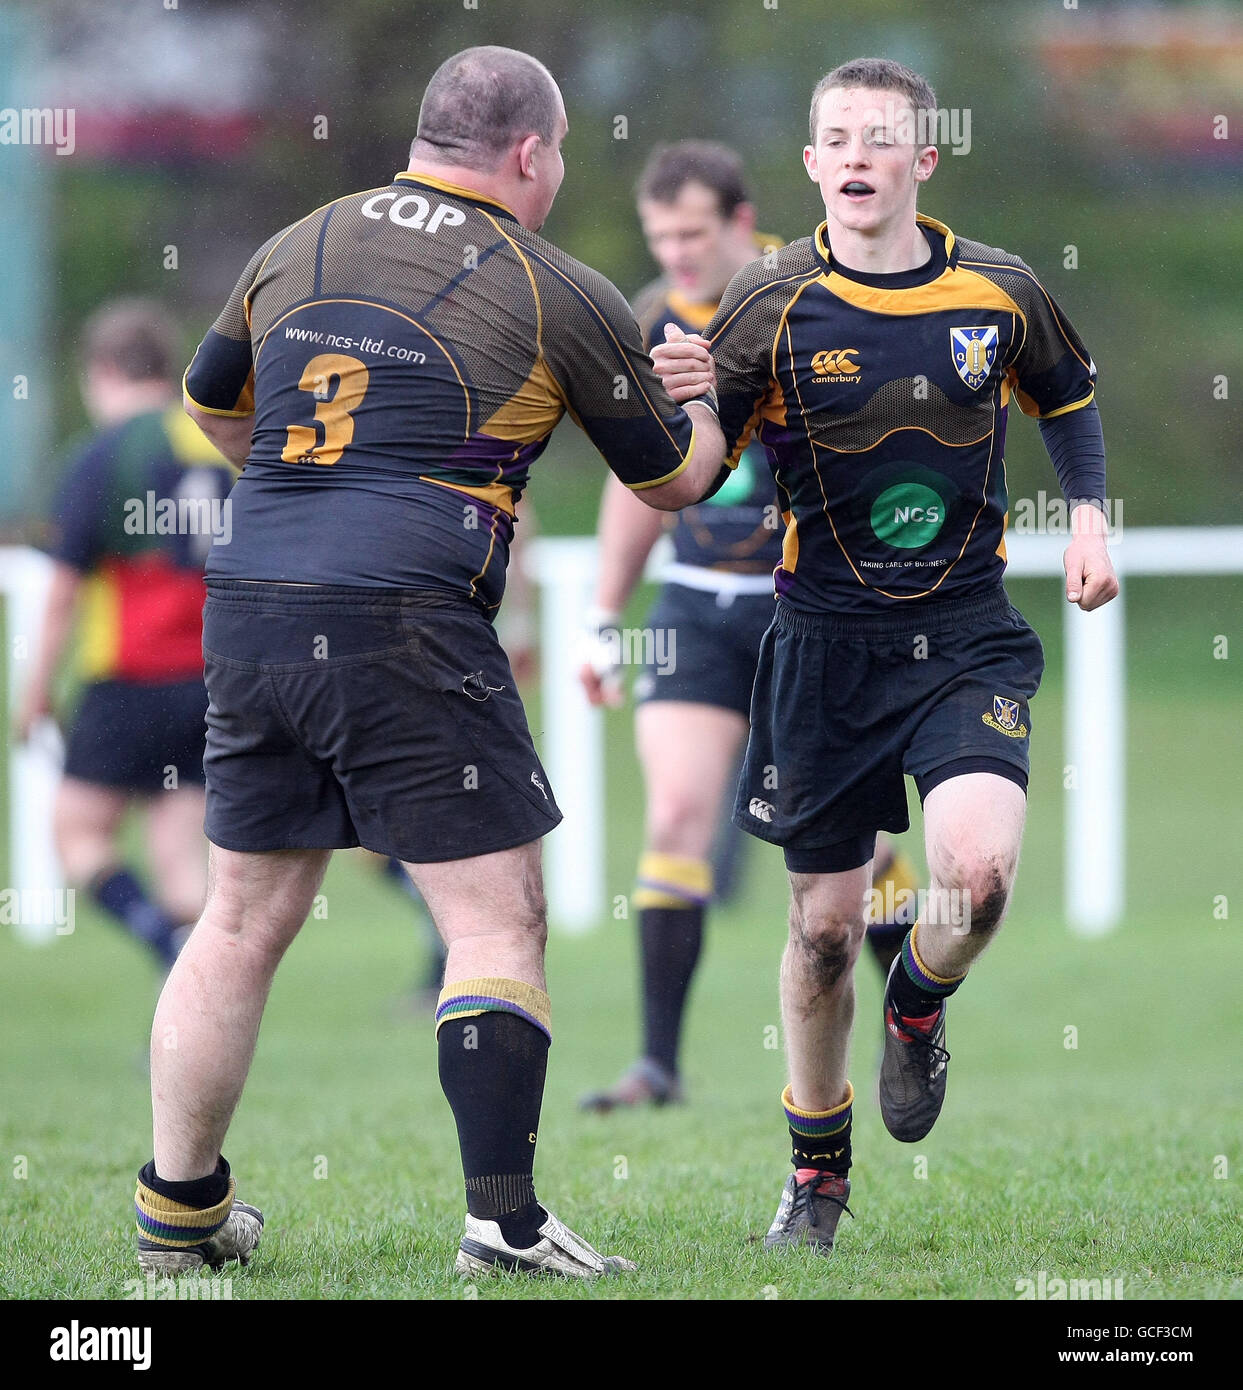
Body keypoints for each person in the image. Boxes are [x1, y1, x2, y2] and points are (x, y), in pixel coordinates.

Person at [131, 45, 730, 1282]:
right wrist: (707, 397)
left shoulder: (295, 241)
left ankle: (176, 1215)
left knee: (238, 917)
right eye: (558, 157)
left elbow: (210, 400)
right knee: (496, 915)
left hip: (249, 600)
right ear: (528, 154)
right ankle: (502, 1221)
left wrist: (305, 493)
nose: (557, 176)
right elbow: (671, 478)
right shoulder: (552, 281)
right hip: (404, 610)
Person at [649, 56, 1118, 1255]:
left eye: (881, 136)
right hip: (820, 647)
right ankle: (815, 1181)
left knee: (978, 877)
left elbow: (1065, 397)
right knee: (816, 933)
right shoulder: (765, 301)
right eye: (836, 137)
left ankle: (915, 999)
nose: (857, 154)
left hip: (964, 636)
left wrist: (1092, 516)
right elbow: (697, 474)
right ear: (811, 165)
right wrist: (687, 404)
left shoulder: (997, 289)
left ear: (923, 159)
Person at [576, 142, 921, 1112]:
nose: (677, 253)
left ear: (740, 217)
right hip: (692, 605)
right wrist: (605, 614)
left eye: (692, 232)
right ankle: (655, 1066)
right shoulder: (649, 321)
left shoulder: (811, 291)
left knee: (840, 835)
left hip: (806, 607)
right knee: (678, 814)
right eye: (660, 236)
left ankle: (912, 1017)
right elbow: (635, 480)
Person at [16, 300, 234, 972]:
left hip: (129, 676)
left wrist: (34, 689)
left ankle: (161, 942)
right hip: (213, 678)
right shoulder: (223, 443)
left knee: (77, 832)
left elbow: (61, 592)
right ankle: (182, 1025)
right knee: (181, 857)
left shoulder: (101, 457)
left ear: (103, 371)